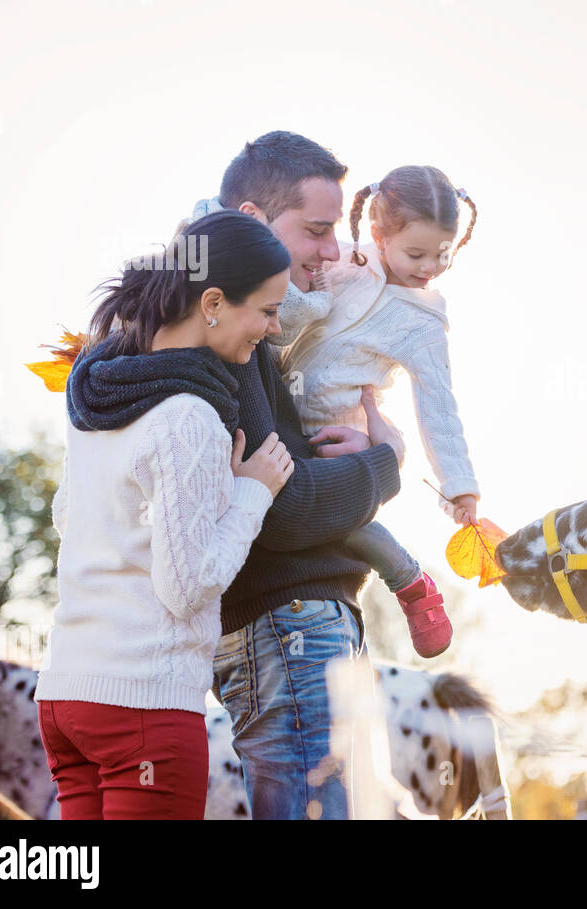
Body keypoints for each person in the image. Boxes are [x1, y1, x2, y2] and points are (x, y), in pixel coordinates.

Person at [36, 210, 295, 819]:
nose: (274, 326)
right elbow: (187, 587)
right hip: (142, 709)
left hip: (67, 699)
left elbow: (66, 517)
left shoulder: (95, 398)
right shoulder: (189, 418)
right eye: (266, 309)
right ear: (212, 302)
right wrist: (253, 492)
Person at [199, 131, 405, 820]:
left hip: (295, 627)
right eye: (315, 231)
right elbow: (279, 510)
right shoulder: (231, 328)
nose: (330, 250)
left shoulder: (253, 324)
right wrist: (385, 464)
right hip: (287, 626)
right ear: (255, 220)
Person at [269, 165, 482, 659]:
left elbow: (438, 404)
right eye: (416, 253)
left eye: (442, 254)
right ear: (380, 236)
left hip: (336, 428)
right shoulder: (339, 262)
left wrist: (460, 484)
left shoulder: (423, 321)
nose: (430, 266)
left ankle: (409, 582)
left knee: (338, 513)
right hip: (277, 402)